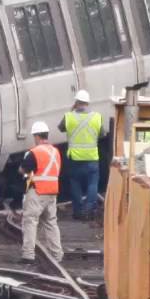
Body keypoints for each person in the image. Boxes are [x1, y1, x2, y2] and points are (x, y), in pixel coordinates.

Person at [18, 121, 64, 264]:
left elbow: (23, 169)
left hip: (37, 191)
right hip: (52, 191)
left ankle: (28, 255)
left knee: (30, 221)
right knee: (51, 223)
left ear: (37, 136)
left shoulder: (34, 152)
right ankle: (57, 255)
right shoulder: (55, 152)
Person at [59, 90, 102, 220]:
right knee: (92, 184)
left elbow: (61, 128)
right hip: (91, 158)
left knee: (75, 183)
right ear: (88, 103)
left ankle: (78, 211)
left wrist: (71, 110)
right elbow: (101, 133)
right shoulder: (96, 117)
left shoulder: (69, 117)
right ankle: (89, 210)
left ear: (76, 102)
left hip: (75, 159)